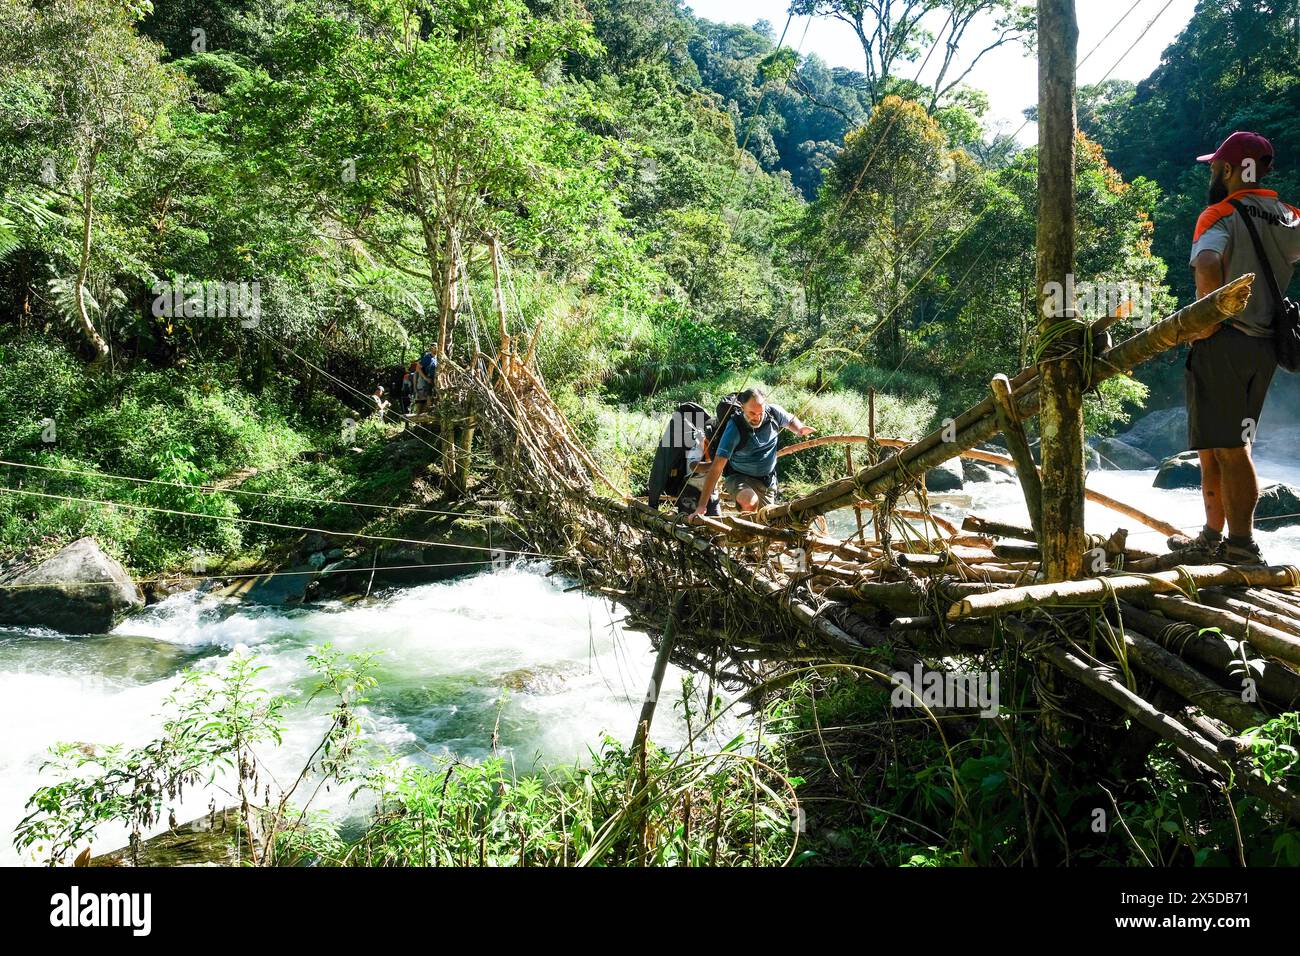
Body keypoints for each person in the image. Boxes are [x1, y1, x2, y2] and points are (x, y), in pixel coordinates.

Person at [1171, 131, 1300, 565]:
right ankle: (1212, 535)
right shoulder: (1288, 217)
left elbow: (1207, 263)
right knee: (1220, 441)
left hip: (1225, 340)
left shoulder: (1218, 214)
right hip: (1264, 346)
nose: (1212, 173)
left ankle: (1241, 545)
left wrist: (1208, 323)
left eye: (1214, 166)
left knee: (1229, 448)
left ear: (1229, 169)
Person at [692, 387, 813, 517]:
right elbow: (716, 468)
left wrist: (799, 429)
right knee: (750, 502)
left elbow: (789, 420)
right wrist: (702, 506)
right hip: (739, 477)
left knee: (769, 522)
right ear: (742, 408)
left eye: (760, 412)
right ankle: (747, 533)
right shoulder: (734, 428)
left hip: (767, 481)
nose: (757, 418)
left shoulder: (773, 413)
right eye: (752, 413)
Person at [414, 345, 438, 415]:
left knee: (435, 397)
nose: (437, 348)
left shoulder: (438, 357)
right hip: (429, 380)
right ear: (432, 348)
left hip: (437, 380)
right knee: (428, 396)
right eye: (435, 347)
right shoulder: (428, 358)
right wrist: (425, 378)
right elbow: (418, 368)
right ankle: (428, 415)